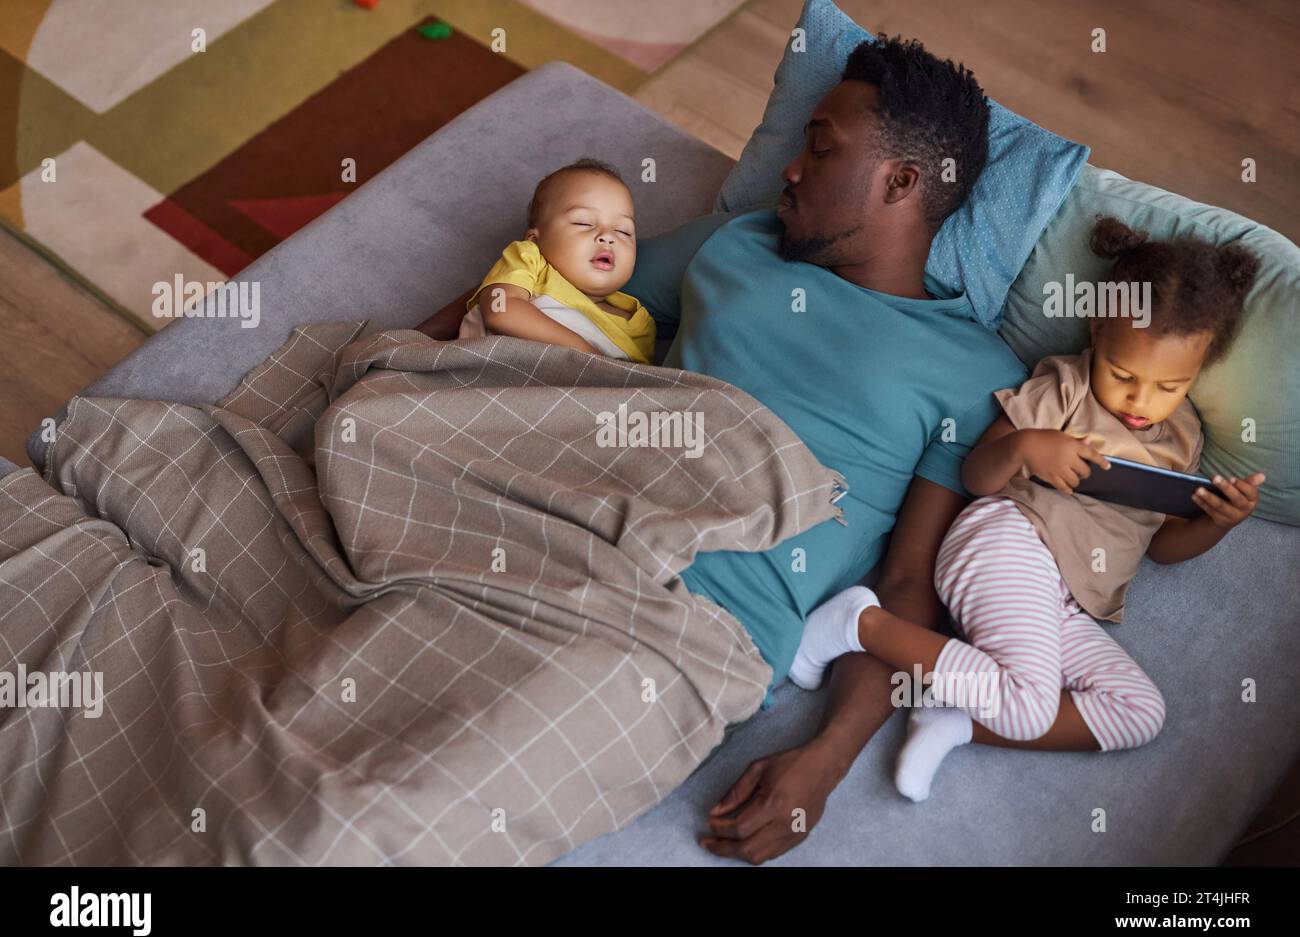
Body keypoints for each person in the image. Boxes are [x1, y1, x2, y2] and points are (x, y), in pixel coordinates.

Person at [419, 35, 1024, 863]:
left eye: (819, 147)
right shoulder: (736, 242)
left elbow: (909, 582)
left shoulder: (974, 373)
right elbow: (556, 304)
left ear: (902, 182)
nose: (790, 170)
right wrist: (413, 360)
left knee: (424, 797)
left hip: (696, 628)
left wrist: (827, 758)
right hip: (553, 514)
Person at [792, 215, 1263, 803]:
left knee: (1140, 712)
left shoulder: (1181, 438)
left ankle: (955, 720)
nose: (1142, 401)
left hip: (1067, 597)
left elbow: (1164, 547)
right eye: (1123, 375)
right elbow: (975, 475)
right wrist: (1025, 446)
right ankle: (859, 623)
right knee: (1029, 702)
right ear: (1096, 329)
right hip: (1006, 542)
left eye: (1170, 386)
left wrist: (1216, 523)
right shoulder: (1064, 388)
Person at [456, 157, 656, 363]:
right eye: (583, 222)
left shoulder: (639, 323)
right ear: (535, 240)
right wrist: (587, 355)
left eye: (623, 231)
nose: (608, 237)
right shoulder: (531, 262)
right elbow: (500, 311)